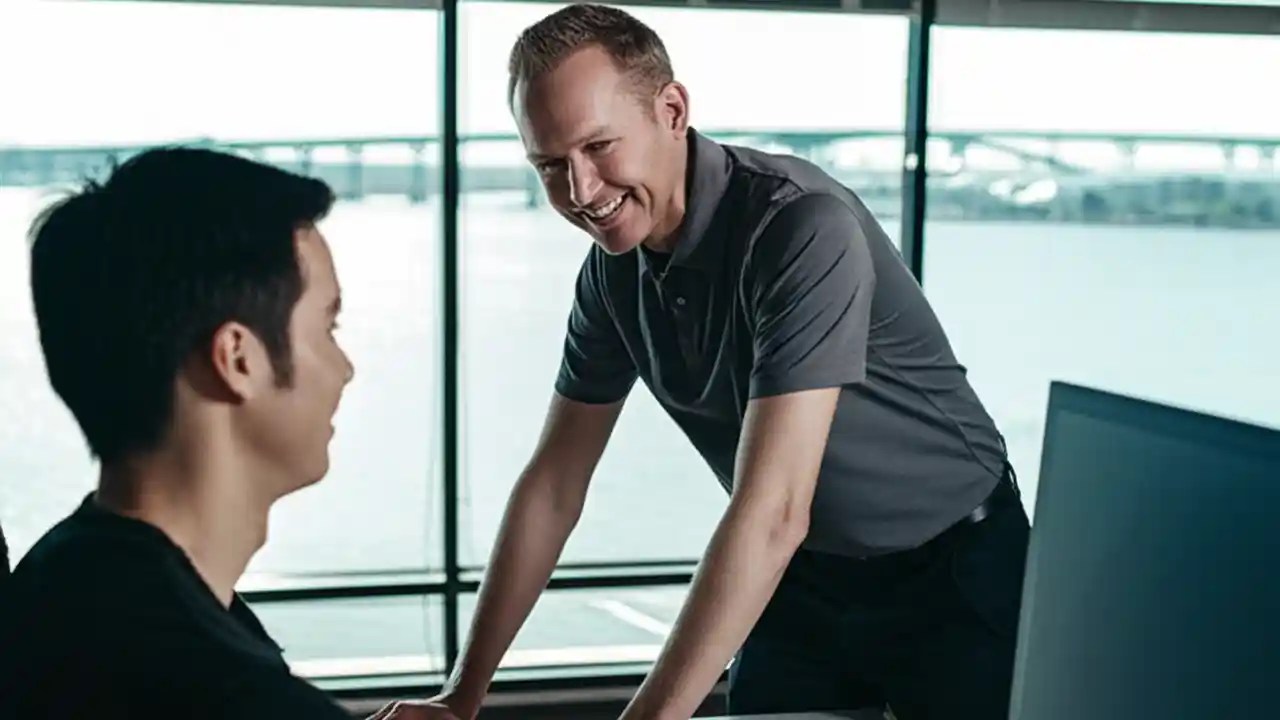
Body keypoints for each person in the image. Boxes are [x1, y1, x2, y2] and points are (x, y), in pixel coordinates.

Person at [377, 4, 1030, 720]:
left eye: (599, 146)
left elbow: (774, 509)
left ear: (673, 109)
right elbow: (554, 485)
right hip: (809, 574)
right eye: (550, 166)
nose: (582, 192)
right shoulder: (610, 276)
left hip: (956, 569)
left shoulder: (801, 228)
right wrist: (461, 697)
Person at [0, 148, 358, 719]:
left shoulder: (53, 589)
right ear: (237, 358)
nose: (344, 368)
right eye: (327, 326)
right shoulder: (226, 691)